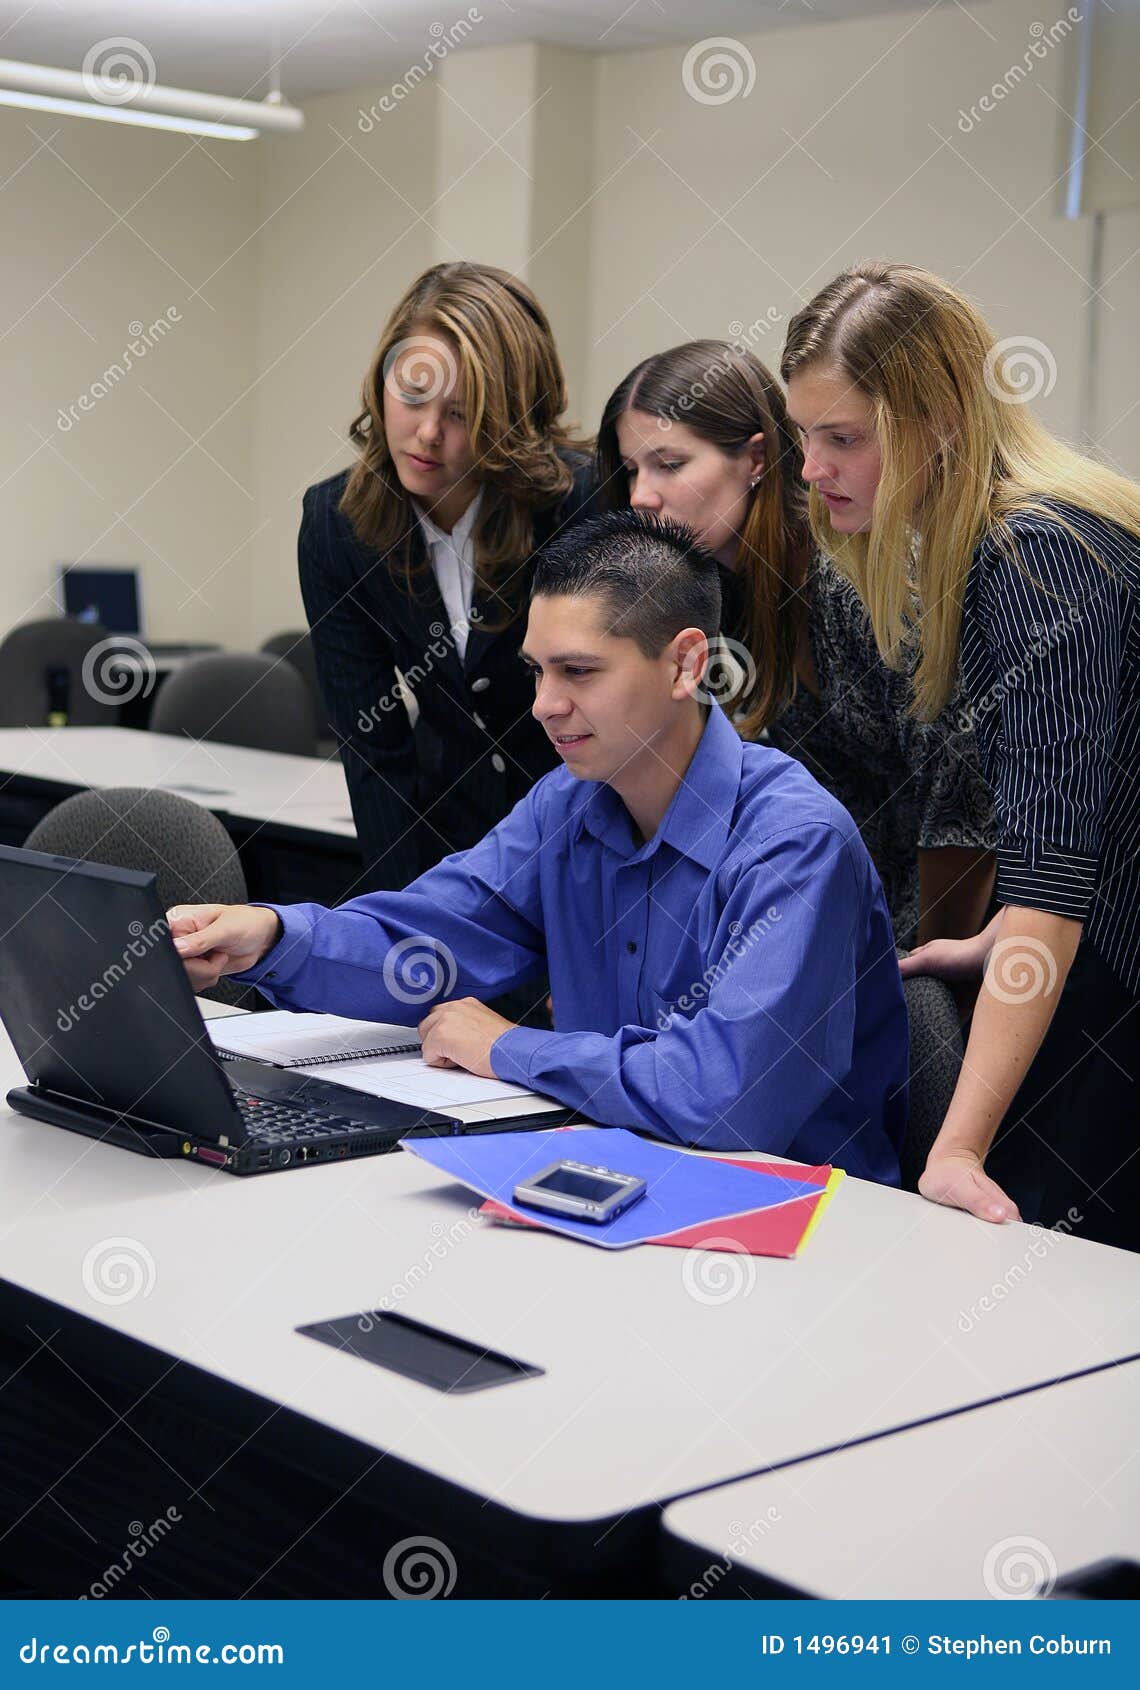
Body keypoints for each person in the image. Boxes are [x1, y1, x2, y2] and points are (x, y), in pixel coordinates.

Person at [170, 512, 909, 1181]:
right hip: (613, 1172)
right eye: (538, 670)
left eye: (579, 672)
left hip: (792, 1226)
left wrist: (509, 1048)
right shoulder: (571, 799)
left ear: (686, 664)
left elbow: (724, 1096)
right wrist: (271, 936)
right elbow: (433, 936)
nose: (544, 705)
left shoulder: (794, 844)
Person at [782, 260, 1140, 1250]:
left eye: (843, 439)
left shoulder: (1039, 556)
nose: (812, 470)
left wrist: (959, 1152)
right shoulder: (988, 546)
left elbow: (1054, 882)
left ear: (936, 421)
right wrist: (1005, 938)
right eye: (805, 436)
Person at [594, 340, 995, 950]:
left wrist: (927, 973)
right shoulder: (706, 597)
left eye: (669, 465)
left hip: (968, 935)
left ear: (755, 458)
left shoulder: (849, 572)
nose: (641, 496)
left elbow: (961, 797)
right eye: (631, 469)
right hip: (836, 930)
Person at [300, 261, 596, 892]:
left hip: (587, 849)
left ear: (510, 420)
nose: (427, 434)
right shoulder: (335, 525)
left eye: (461, 415)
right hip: (448, 850)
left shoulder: (582, 506)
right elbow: (373, 753)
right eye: (411, 397)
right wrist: (406, 931)